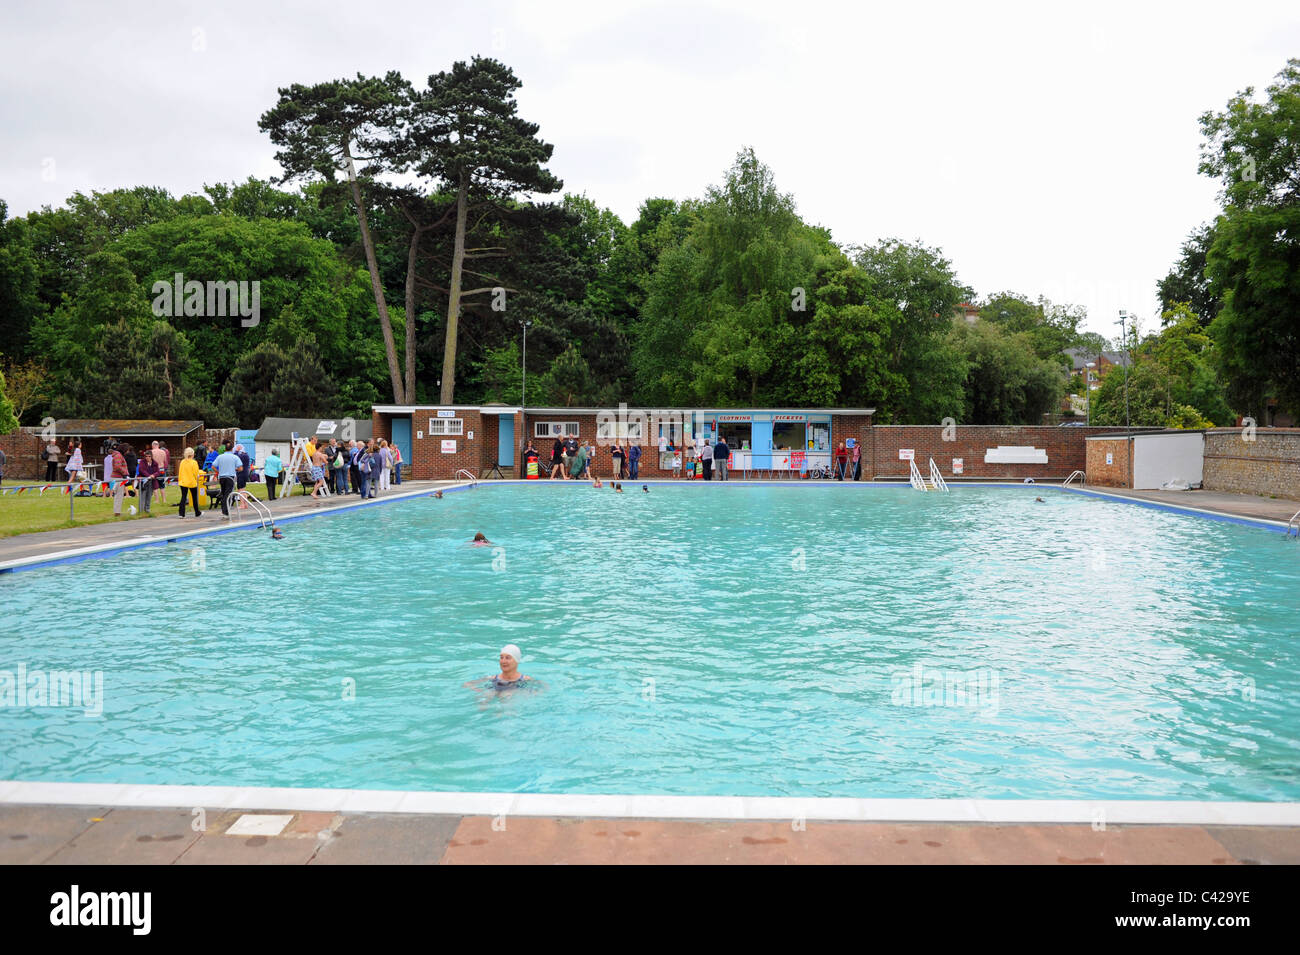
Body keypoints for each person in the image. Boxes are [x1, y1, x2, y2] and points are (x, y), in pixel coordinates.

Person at [212, 445, 242, 518]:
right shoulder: (235, 457)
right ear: (232, 449)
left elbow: (213, 466)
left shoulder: (220, 457)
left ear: (225, 449)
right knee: (228, 494)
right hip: (230, 477)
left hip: (222, 477)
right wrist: (235, 469)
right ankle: (226, 512)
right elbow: (240, 468)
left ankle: (224, 511)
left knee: (224, 493)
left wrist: (218, 472)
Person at [177, 448, 203, 518]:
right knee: (194, 497)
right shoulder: (194, 462)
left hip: (183, 481)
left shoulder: (182, 462)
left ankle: (181, 514)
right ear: (192, 454)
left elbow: (180, 471)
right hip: (191, 481)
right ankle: (197, 512)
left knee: (183, 497)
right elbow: (196, 473)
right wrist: (196, 478)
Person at [137, 449, 162, 515]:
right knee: (142, 496)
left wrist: (153, 475)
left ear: (151, 456)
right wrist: (149, 476)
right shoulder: (142, 462)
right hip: (143, 482)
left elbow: (158, 472)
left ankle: (147, 509)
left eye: (149, 456)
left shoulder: (155, 463)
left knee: (149, 496)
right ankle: (141, 511)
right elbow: (141, 470)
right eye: (146, 456)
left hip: (151, 481)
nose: (147, 458)